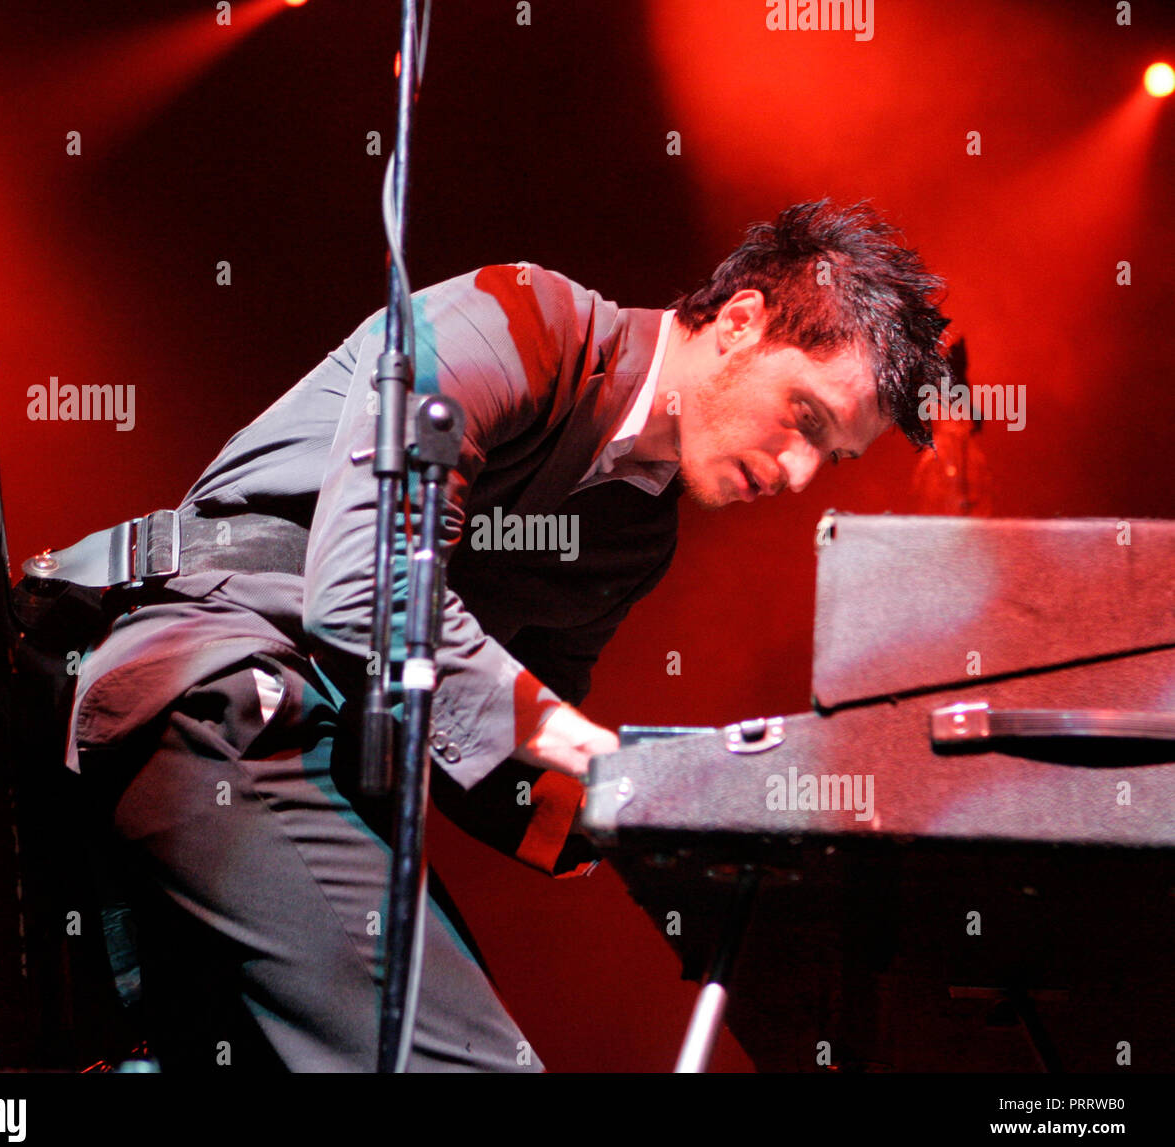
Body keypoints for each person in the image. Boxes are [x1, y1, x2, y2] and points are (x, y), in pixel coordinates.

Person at [66, 199, 949, 1072]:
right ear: (741, 323)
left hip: (315, 753)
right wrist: (610, 758)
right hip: (215, 685)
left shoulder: (636, 534)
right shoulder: (517, 318)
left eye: (830, 458)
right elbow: (364, 595)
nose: (798, 475)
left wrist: (693, 826)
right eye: (806, 417)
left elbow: (500, 755)